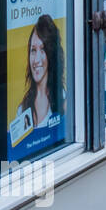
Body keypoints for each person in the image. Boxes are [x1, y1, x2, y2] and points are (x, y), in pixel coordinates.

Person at [16, 14, 64, 144]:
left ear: (51, 53)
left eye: (43, 50)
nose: (36, 60)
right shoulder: (22, 110)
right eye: (33, 50)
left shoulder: (65, 100)